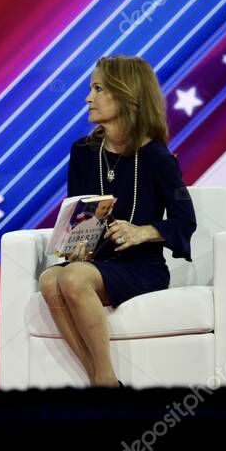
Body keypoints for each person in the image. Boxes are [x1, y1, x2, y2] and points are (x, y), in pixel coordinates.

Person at [39, 55, 196, 387]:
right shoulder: (83, 151)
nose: (88, 98)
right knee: (50, 280)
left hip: (142, 268)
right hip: (96, 262)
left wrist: (143, 232)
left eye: (98, 89)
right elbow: (78, 214)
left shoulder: (158, 158)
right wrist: (77, 244)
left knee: (73, 279)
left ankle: (105, 379)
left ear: (127, 95)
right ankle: (102, 381)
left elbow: (185, 221)